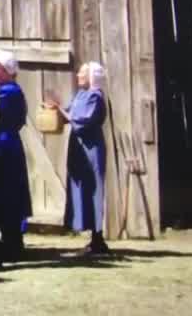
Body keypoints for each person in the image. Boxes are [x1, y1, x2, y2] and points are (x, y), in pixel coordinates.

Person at [51, 62, 109, 255]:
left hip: (91, 147)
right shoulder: (81, 94)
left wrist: (61, 111)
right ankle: (93, 239)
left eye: (82, 73)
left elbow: (81, 121)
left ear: (92, 77)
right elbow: (69, 113)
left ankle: (98, 239)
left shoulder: (95, 96)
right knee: (82, 187)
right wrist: (55, 109)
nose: (78, 75)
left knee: (93, 188)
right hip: (79, 146)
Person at [0, 49, 31, 261]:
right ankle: (9, 240)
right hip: (4, 143)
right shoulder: (6, 89)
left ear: (6, 70)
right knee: (4, 192)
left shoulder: (8, 91)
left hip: (4, 145)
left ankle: (12, 242)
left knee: (8, 192)